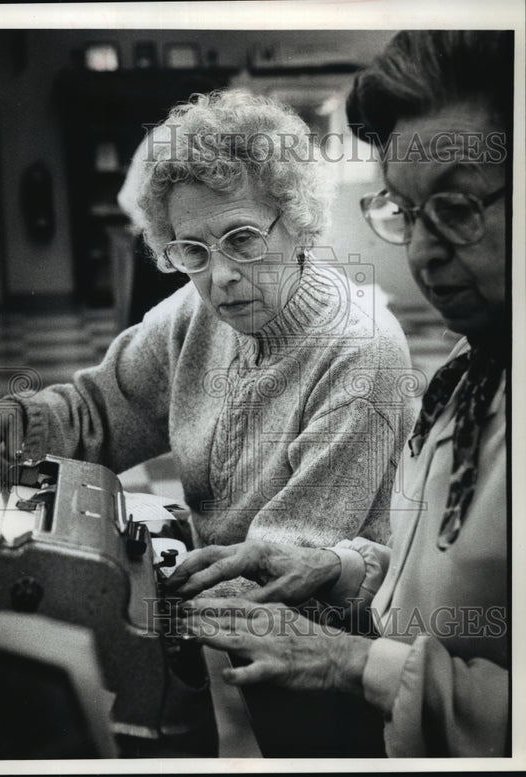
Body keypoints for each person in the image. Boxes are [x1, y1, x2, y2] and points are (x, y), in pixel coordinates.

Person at [169, 31, 512, 756]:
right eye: (406, 213)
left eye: (455, 207)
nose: (419, 251)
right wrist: (346, 567)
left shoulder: (372, 346)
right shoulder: (473, 362)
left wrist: (350, 660)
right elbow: (450, 602)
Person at [0, 89, 412, 593]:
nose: (220, 275)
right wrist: (24, 426)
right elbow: (102, 412)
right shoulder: (195, 312)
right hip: (223, 599)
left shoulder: (360, 351)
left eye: (242, 239)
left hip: (316, 635)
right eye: (193, 250)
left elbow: (286, 572)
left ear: (298, 223)